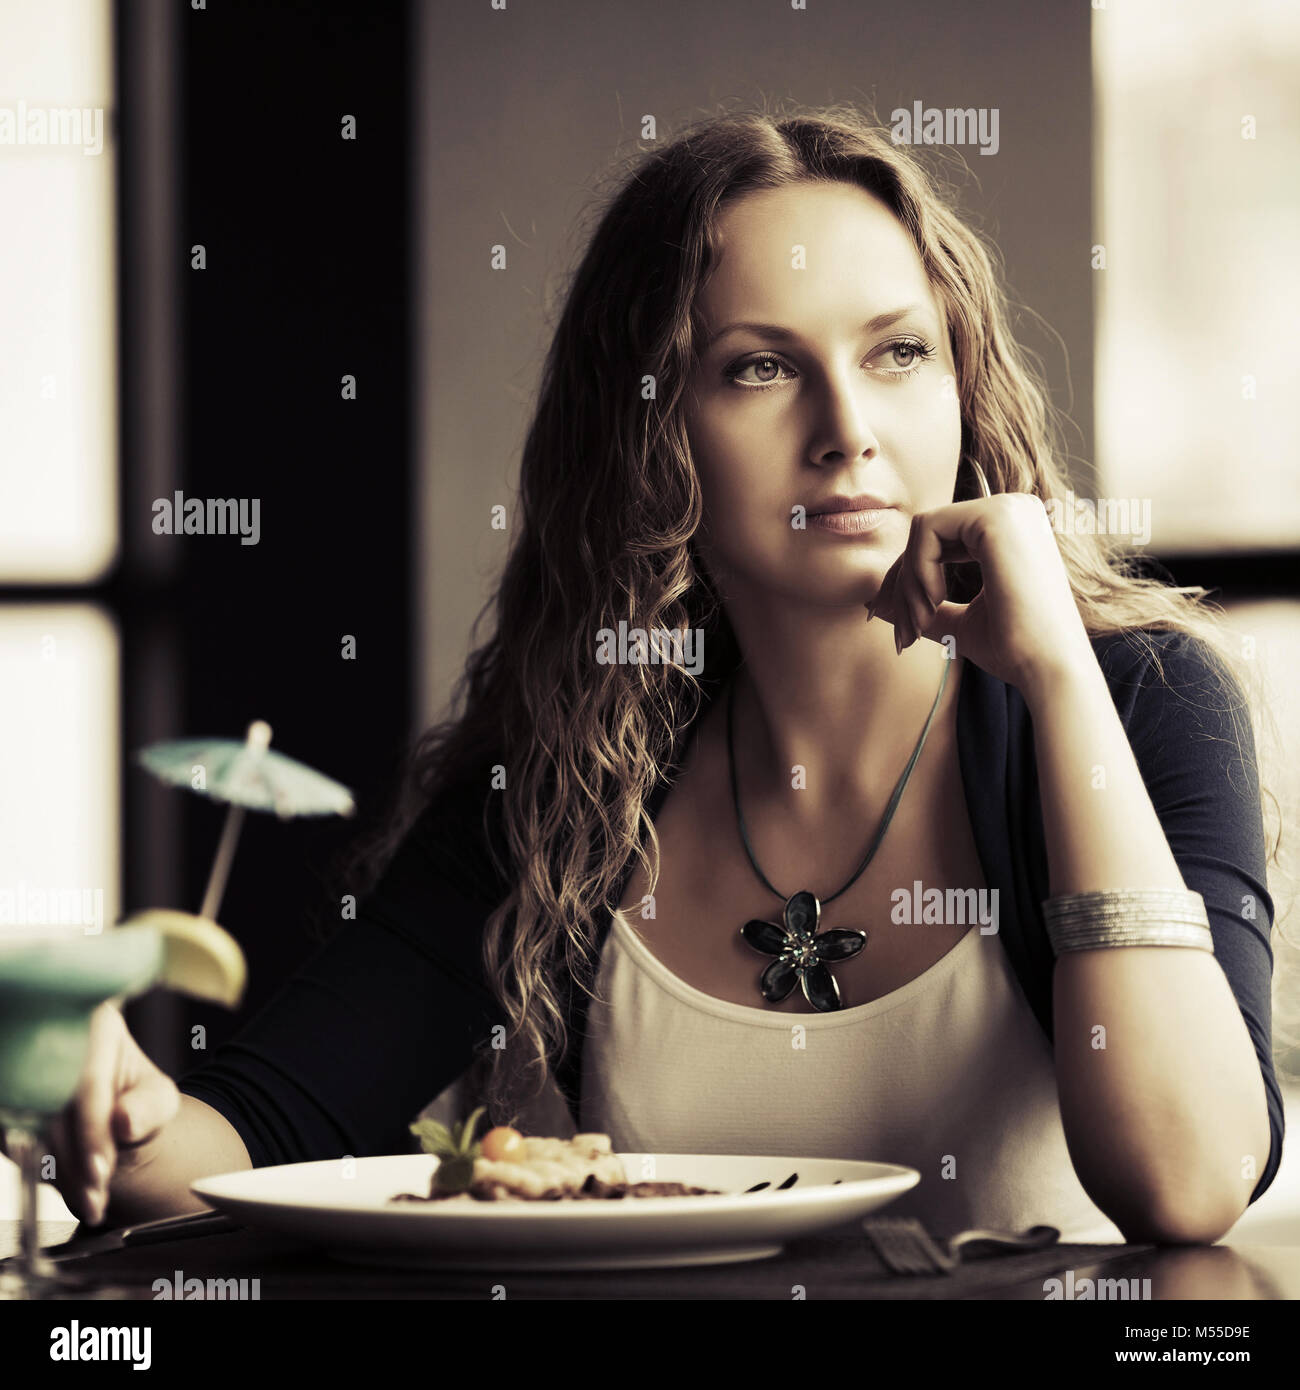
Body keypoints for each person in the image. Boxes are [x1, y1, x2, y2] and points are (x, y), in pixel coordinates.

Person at [44, 106, 1285, 1245]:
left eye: (898, 352)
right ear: (649, 426)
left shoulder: (1142, 701)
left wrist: (1058, 674)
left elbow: (1187, 1181)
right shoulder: (564, 772)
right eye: (759, 365)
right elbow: (241, 1147)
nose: (848, 423)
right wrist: (90, 1091)